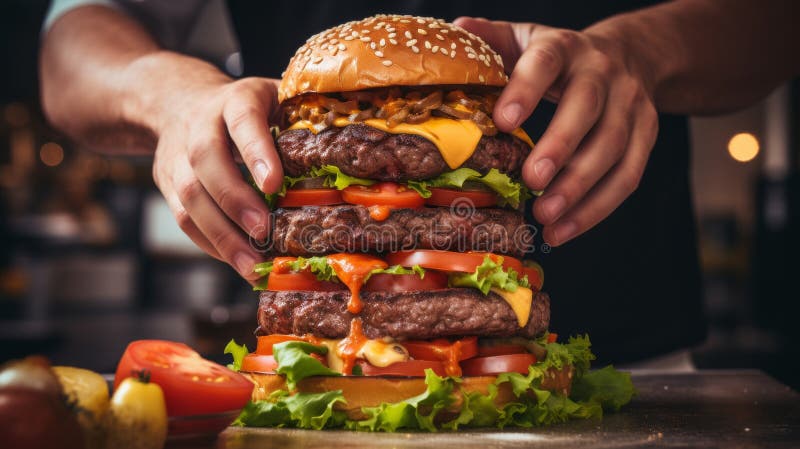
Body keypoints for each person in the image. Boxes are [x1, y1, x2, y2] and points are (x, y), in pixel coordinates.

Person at [39, 0, 799, 365]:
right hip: (327, 362)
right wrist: (173, 97)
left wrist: (644, 47)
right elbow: (72, 37)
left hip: (637, 365)